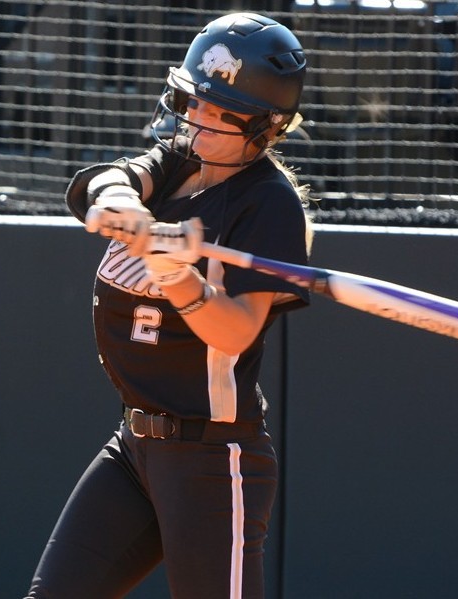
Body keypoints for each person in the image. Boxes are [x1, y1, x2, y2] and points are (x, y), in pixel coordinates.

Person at [25, 12, 312, 599]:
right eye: (193, 100)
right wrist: (121, 206)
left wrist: (176, 274)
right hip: (135, 448)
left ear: (265, 127)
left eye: (218, 111)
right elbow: (106, 181)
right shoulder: (180, 162)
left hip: (212, 457)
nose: (197, 120)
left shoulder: (268, 205)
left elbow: (233, 333)